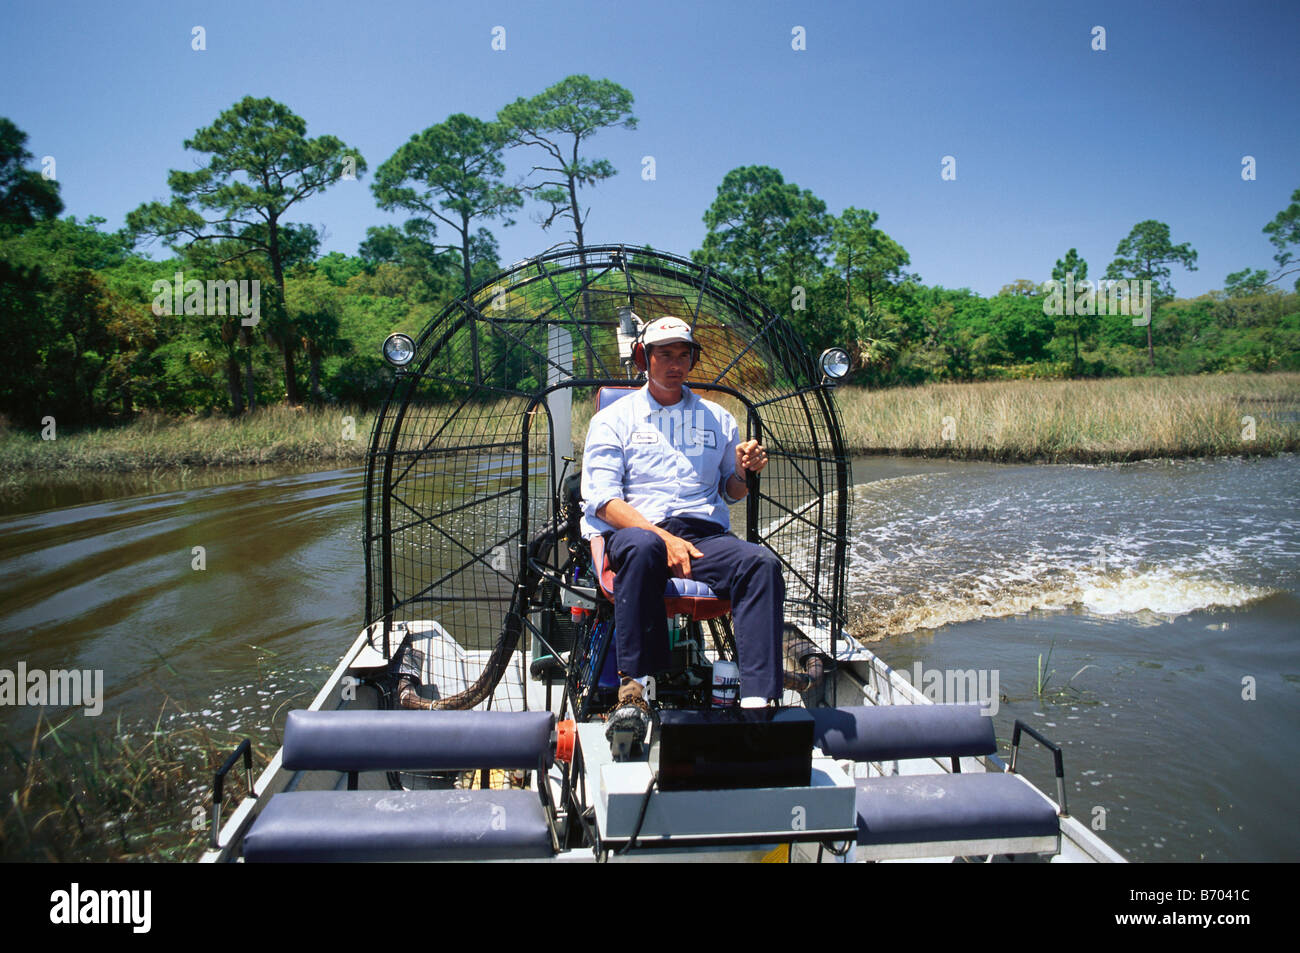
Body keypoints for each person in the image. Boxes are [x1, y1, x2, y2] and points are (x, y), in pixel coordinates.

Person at [580, 316, 784, 744]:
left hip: (705, 535)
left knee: (761, 564)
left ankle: (758, 705)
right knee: (641, 547)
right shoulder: (613, 419)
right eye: (664, 354)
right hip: (636, 529)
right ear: (644, 359)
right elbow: (602, 499)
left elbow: (731, 493)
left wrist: (746, 471)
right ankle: (633, 692)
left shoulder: (719, 418)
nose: (675, 364)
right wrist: (664, 537)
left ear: (693, 360)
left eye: (683, 355)